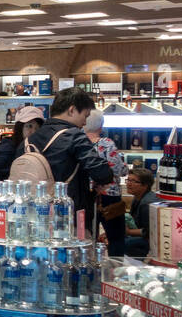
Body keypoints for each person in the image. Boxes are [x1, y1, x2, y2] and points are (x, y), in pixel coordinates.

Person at [24, 88, 114, 220]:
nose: (84, 123)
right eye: (85, 116)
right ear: (72, 110)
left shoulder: (28, 141)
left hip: (33, 214)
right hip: (67, 215)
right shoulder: (74, 136)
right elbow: (103, 173)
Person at [84, 109, 129, 256]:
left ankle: (91, 264)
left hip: (87, 195)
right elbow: (119, 170)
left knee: (89, 234)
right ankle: (116, 269)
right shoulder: (107, 143)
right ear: (100, 126)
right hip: (110, 196)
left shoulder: (79, 143)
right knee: (116, 236)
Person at [0, 105, 44, 181]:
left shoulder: (32, 148)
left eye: (38, 128)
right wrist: (8, 187)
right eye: (29, 126)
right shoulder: (9, 148)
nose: (33, 131)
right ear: (20, 127)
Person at [124, 168, 158, 257]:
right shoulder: (137, 197)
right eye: (128, 180)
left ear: (145, 185)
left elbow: (149, 232)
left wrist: (128, 232)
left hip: (151, 241)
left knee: (123, 243)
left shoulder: (147, 204)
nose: (128, 184)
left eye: (134, 181)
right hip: (140, 235)